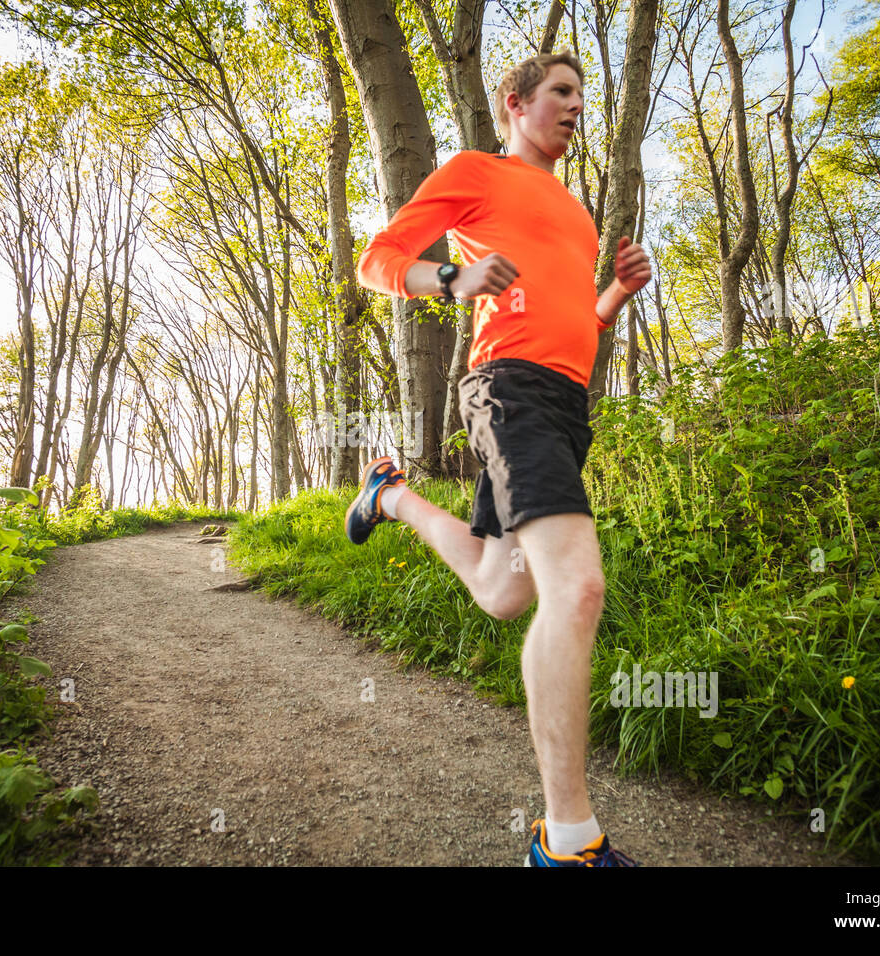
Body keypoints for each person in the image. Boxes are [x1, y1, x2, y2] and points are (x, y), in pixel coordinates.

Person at [346, 52, 652, 867]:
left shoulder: (580, 216)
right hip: (508, 392)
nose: (576, 105)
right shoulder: (476, 172)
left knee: (503, 588)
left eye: (582, 95)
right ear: (514, 104)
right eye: (560, 92)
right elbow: (377, 262)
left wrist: (613, 298)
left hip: (562, 404)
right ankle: (568, 842)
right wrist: (454, 274)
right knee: (576, 587)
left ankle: (390, 497)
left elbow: (572, 322)